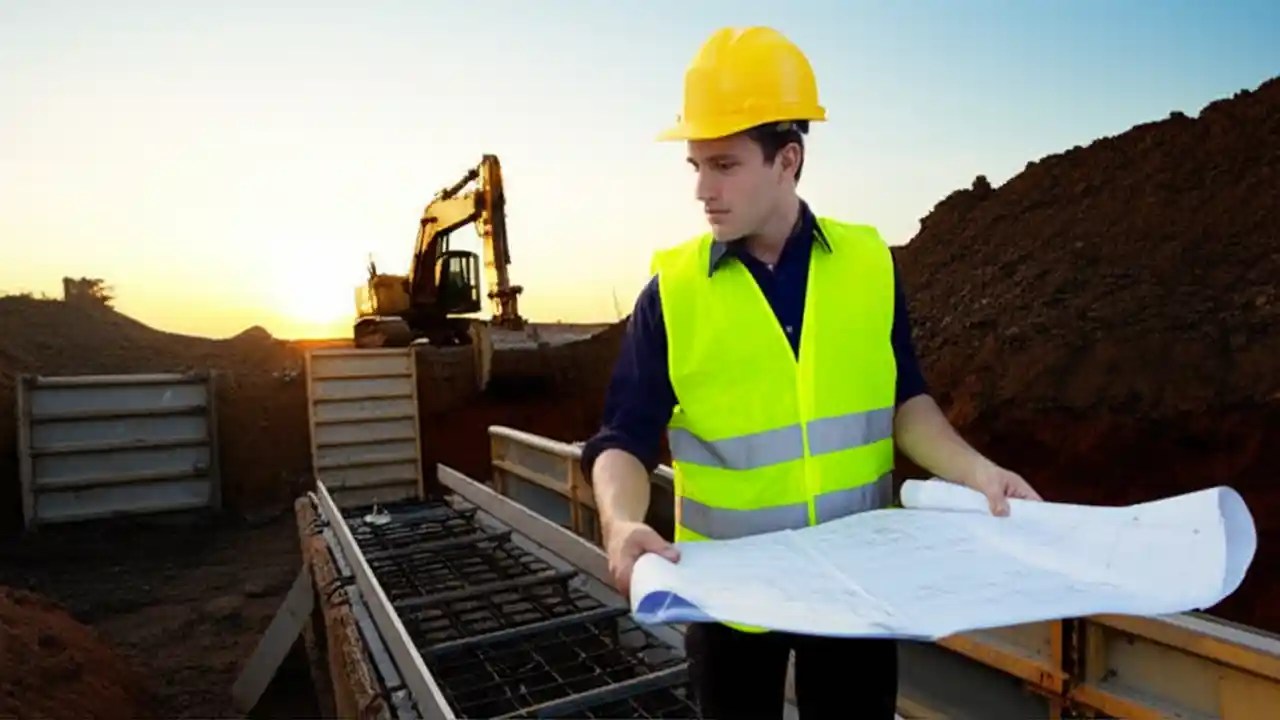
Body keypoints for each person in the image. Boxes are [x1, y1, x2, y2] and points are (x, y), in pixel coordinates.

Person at [579, 25, 1043, 719]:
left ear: (787, 160)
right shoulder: (673, 293)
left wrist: (978, 472)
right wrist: (619, 523)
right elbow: (623, 437)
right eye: (696, 166)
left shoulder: (868, 266)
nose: (703, 190)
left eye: (725, 165)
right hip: (731, 600)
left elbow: (904, 400)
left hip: (854, 590)